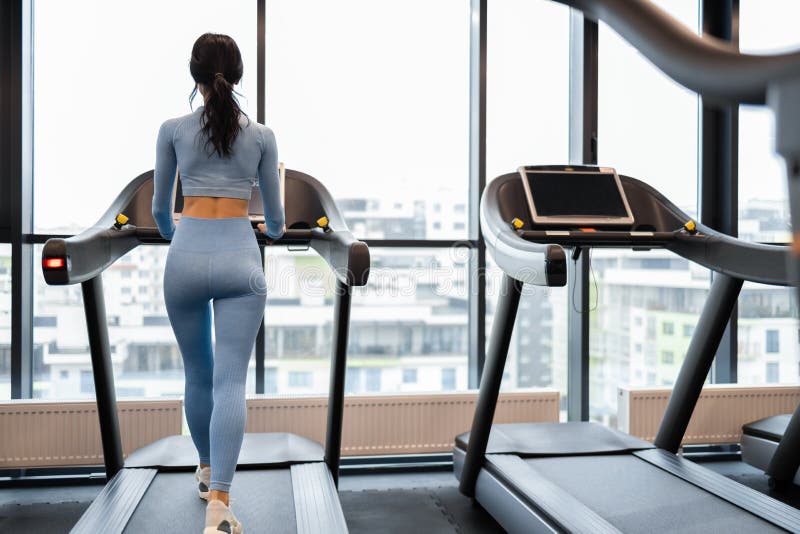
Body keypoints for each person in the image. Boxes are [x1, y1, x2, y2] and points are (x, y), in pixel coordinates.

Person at [152, 32, 285, 534]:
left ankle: (206, 471)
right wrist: (261, 229)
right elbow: (274, 222)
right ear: (239, 74)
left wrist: (175, 232)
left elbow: (161, 212)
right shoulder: (263, 137)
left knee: (198, 374)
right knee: (231, 381)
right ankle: (220, 507)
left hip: (185, 260)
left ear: (195, 75)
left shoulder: (171, 130)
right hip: (239, 259)